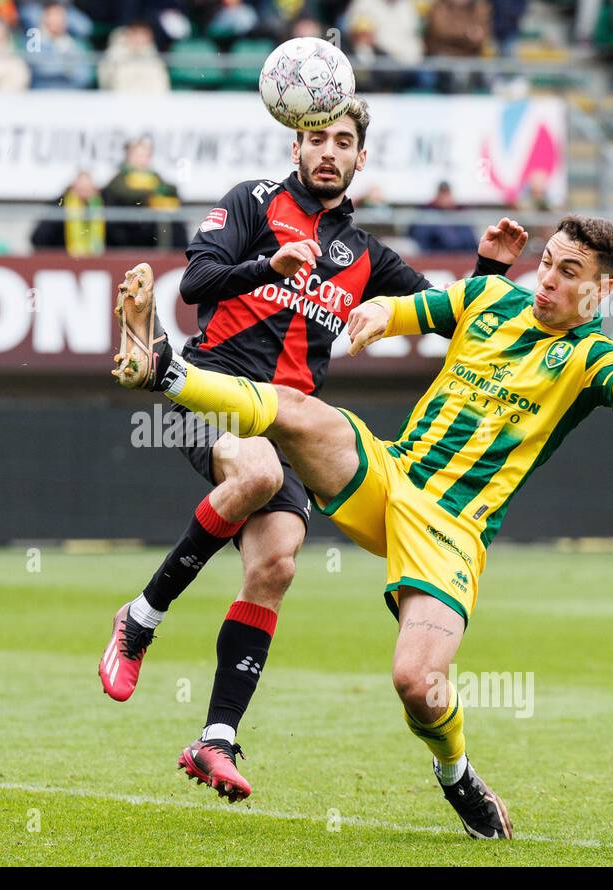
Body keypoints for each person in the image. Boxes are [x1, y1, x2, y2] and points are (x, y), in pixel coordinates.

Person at [109, 218, 613, 836]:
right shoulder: (490, 296)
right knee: (303, 413)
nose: (547, 278)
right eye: (547, 262)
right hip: (391, 475)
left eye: (568, 273)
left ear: (601, 292)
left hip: (451, 531)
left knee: (417, 684)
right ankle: (167, 371)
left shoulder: (590, 360)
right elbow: (407, 306)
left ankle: (457, 774)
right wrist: (380, 315)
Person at [97, 99, 528, 802]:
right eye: (317, 139)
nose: (329, 152)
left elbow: (456, 325)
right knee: (258, 472)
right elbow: (197, 283)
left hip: (288, 423)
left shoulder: (365, 256)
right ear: (296, 147)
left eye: (344, 142)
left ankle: (216, 739)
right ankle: (141, 619)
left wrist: (489, 267)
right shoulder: (251, 204)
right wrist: (270, 264)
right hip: (209, 391)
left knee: (276, 564)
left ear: (362, 159)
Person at [102, 136, 187, 249]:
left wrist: (162, 192)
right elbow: (123, 194)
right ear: (129, 156)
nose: (142, 160)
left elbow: (171, 190)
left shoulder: (154, 177)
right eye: (139, 155)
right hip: (125, 232)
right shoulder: (121, 178)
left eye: (146, 155)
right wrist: (151, 194)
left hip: (151, 231)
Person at [30, 170, 105, 257]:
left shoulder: (103, 206)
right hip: (65, 260)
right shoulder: (60, 205)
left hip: (96, 260)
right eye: (81, 189)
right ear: (73, 188)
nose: (84, 194)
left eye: (87, 189)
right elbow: (39, 237)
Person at [407, 181, 479, 252]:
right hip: (435, 255)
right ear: (437, 195)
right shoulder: (427, 212)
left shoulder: (460, 213)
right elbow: (420, 238)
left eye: (447, 194)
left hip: (459, 256)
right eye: (442, 194)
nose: (445, 198)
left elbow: (470, 241)